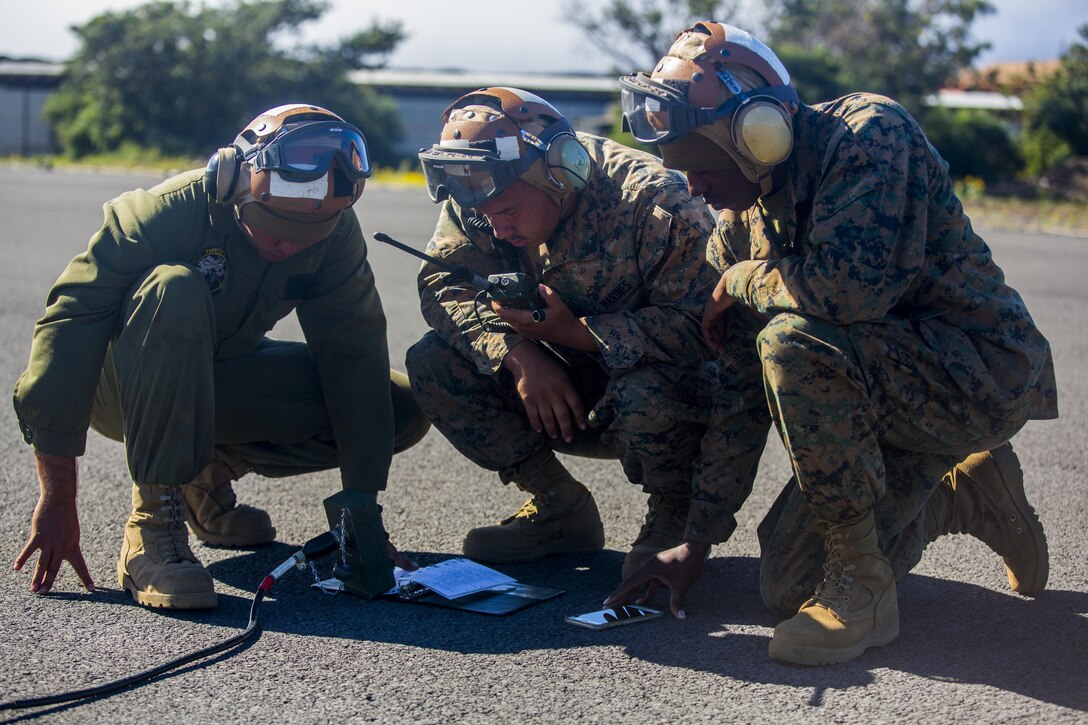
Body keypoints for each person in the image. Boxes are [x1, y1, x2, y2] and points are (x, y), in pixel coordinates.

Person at [609, 22, 1058, 664]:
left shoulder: (870, 135)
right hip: (883, 398)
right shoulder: (740, 225)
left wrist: (738, 281)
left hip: (978, 376)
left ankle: (864, 588)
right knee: (786, 586)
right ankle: (963, 494)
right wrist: (698, 539)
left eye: (702, 169)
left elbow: (848, 292)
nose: (695, 190)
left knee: (790, 341)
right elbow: (737, 392)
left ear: (757, 135)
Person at [12, 104, 430, 610]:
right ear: (233, 181)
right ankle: (152, 527)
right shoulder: (161, 214)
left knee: (398, 406)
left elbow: (354, 354)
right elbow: (68, 328)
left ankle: (205, 474)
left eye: (303, 238)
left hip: (216, 382)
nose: (285, 245)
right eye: (272, 228)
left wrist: (361, 514)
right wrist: (57, 499)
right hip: (121, 390)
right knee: (176, 287)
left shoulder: (334, 229)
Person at [407, 87, 757, 578]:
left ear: (561, 175)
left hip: (668, 392)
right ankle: (558, 506)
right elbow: (443, 281)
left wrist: (580, 334)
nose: (497, 228)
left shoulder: (653, 204)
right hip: (559, 383)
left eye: (507, 213)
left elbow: (709, 330)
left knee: (647, 390)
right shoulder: (483, 185)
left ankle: (674, 514)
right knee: (433, 361)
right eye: (486, 217)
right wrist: (520, 354)